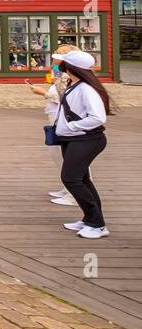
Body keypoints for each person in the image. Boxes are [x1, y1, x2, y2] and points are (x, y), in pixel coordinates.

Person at [52, 49, 112, 239]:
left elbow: (98, 117)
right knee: (82, 179)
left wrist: (71, 126)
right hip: (74, 138)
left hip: (85, 138)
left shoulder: (86, 89)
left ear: (70, 68)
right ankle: (90, 219)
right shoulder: (75, 85)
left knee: (71, 178)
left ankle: (97, 224)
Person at [28, 44, 78, 204]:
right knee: (56, 152)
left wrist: (43, 93)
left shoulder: (69, 76)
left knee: (70, 155)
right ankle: (68, 187)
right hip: (55, 116)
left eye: (57, 53)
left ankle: (74, 194)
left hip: (65, 119)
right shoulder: (60, 73)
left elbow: (65, 98)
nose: (54, 56)